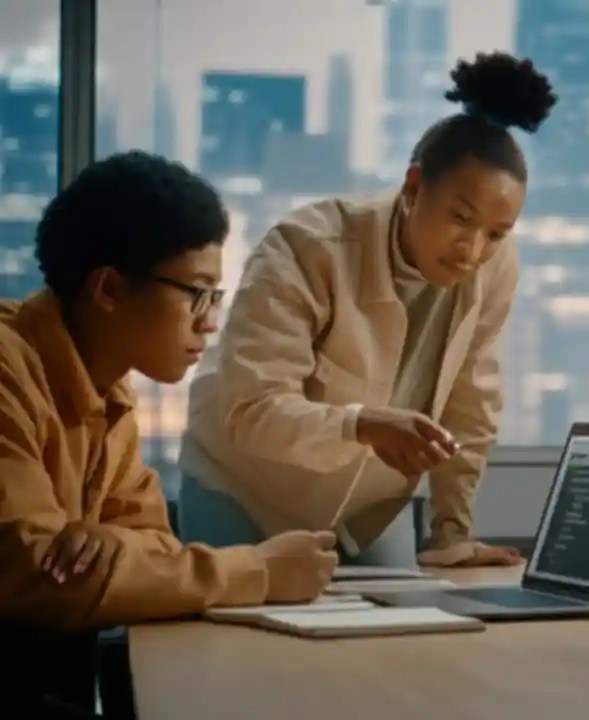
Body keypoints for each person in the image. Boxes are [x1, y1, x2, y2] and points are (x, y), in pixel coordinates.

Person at [178, 52, 558, 569]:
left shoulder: (494, 269)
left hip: (367, 507)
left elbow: (473, 401)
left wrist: (452, 534)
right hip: (243, 490)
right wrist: (362, 425)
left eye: (496, 233)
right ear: (414, 187)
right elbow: (252, 411)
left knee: (397, 637)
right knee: (245, 643)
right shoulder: (307, 247)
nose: (473, 250)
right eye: (460, 218)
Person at [0, 151, 338, 717]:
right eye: (197, 293)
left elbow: (154, 542)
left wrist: (111, 545)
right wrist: (259, 571)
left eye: (216, 297)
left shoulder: (109, 391)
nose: (209, 320)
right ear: (108, 288)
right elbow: (38, 575)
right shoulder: (8, 369)